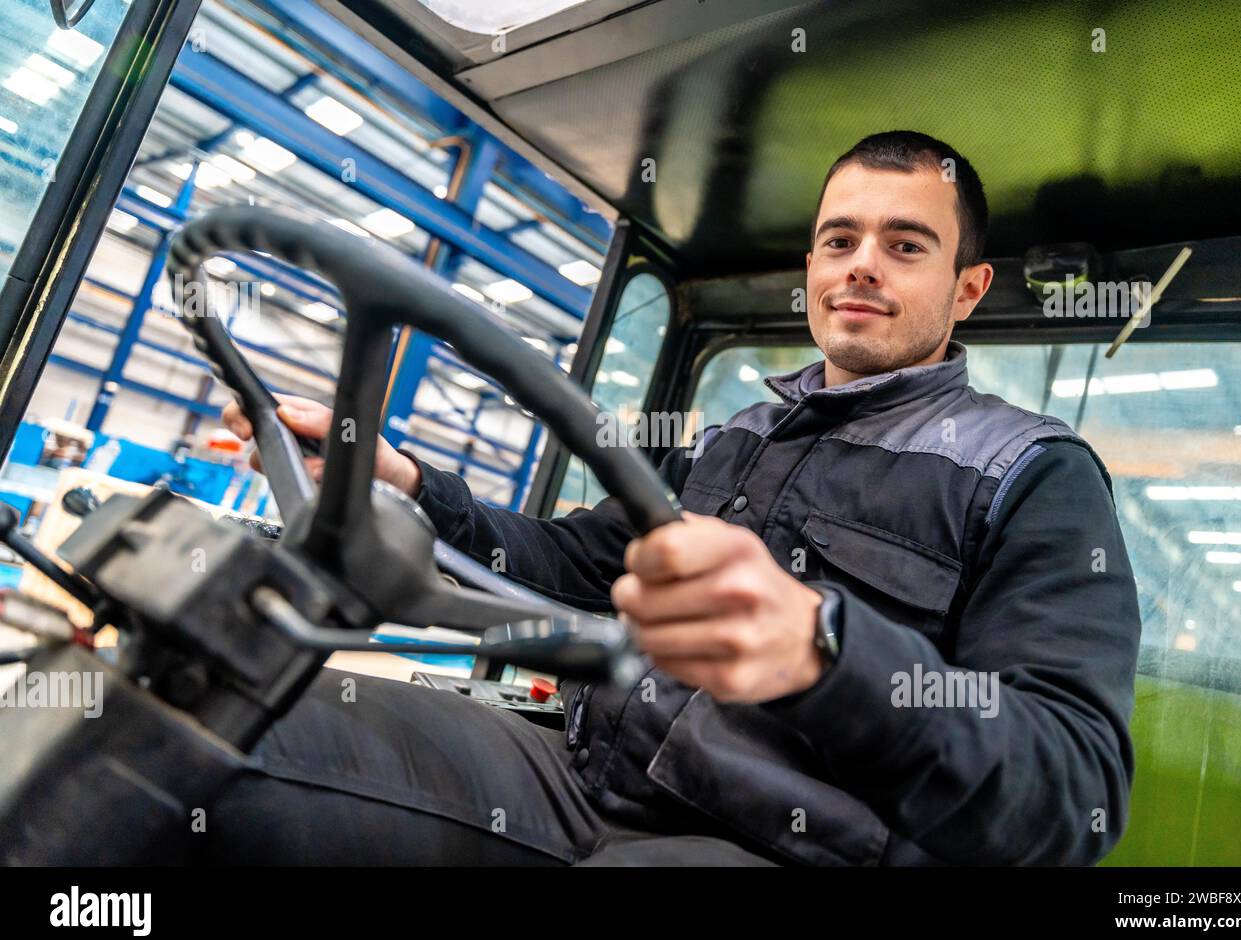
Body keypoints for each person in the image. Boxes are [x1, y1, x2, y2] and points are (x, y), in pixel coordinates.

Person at [210, 130, 1140, 866]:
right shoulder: (737, 437)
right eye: (839, 240)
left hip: (776, 847)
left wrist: (826, 651)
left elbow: (1071, 791)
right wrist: (405, 482)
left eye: (905, 246)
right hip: (584, 778)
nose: (861, 265)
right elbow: (580, 567)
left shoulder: (1031, 475)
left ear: (967, 287)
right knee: (231, 715)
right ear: (811, 269)